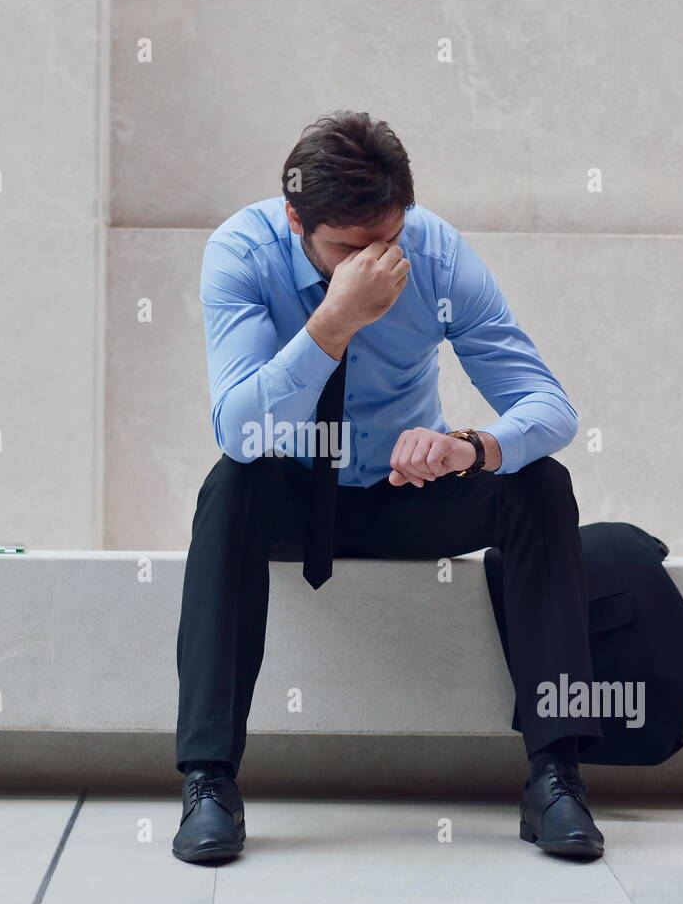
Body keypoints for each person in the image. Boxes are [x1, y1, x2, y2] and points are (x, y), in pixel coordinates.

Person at [172, 111, 604, 865]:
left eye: (387, 241)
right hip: (294, 497)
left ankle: (556, 775)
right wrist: (332, 323)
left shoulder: (435, 252)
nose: (374, 264)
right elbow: (239, 429)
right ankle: (209, 782)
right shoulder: (241, 252)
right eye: (347, 249)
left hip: (404, 498)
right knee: (230, 485)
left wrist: (469, 448)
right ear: (295, 217)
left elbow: (548, 406)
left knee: (538, 483)